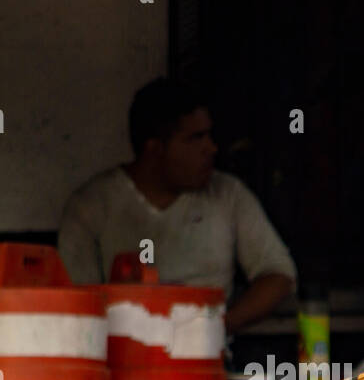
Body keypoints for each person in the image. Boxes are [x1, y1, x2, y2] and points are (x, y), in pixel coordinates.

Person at [57, 77, 296, 334]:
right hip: (123, 361)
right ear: (155, 149)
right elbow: (76, 304)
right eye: (196, 138)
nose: (211, 148)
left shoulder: (228, 194)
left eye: (210, 136)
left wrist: (217, 328)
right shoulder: (91, 205)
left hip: (210, 360)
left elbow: (278, 275)